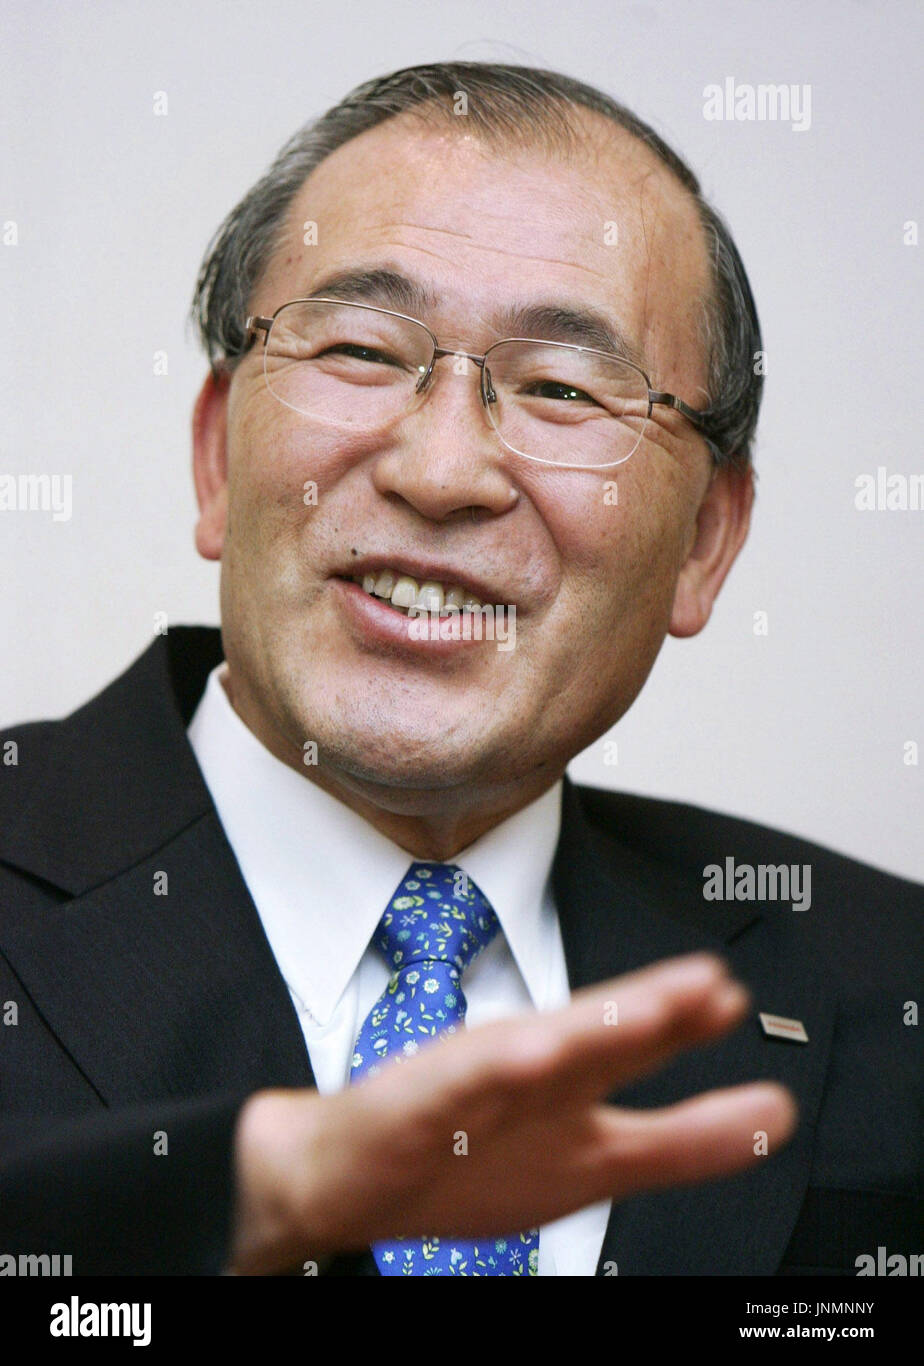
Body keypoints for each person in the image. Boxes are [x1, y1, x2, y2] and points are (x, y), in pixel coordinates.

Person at [0, 62, 919, 1278]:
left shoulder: (885, 978)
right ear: (219, 456)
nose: (440, 473)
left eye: (560, 387)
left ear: (705, 541)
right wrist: (251, 1193)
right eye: (363, 353)